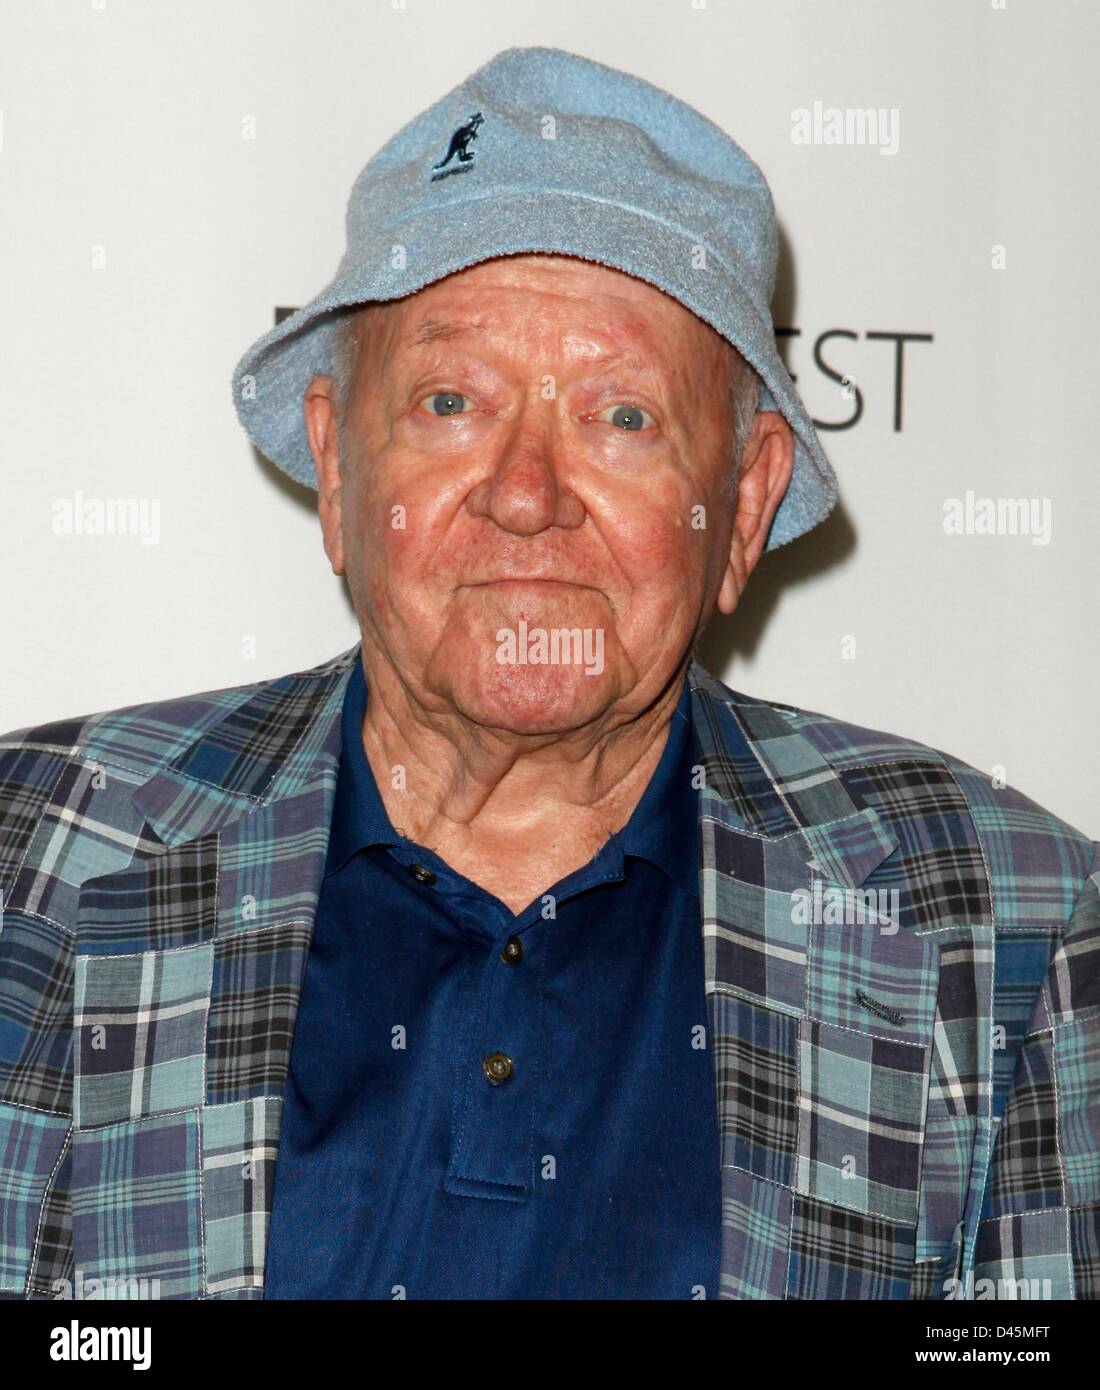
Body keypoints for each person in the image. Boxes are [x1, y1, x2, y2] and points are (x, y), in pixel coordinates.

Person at [0, 46, 1095, 1302]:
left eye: (620, 415)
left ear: (741, 505)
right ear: (339, 471)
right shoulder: (30, 859)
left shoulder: (1009, 935)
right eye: (452, 401)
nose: (524, 497)